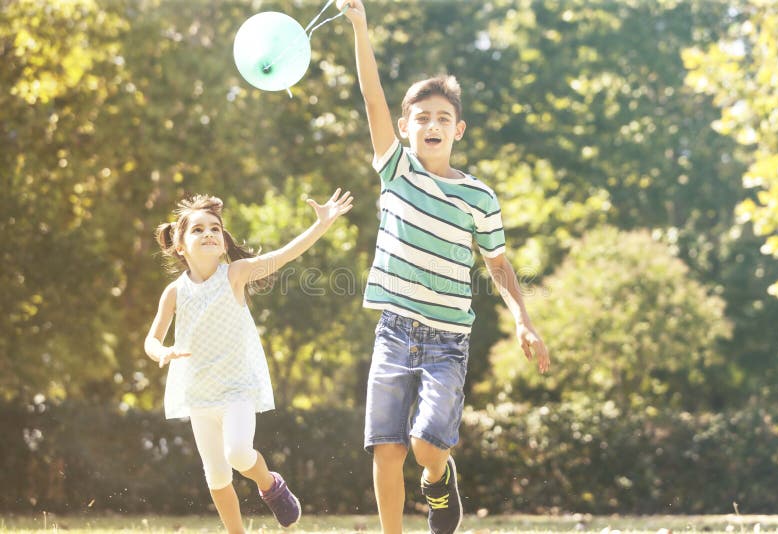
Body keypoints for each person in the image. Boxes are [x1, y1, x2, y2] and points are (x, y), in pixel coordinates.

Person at [336, 1, 551, 533]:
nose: (432, 124)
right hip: (394, 332)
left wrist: (523, 320)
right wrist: (360, 27)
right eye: (422, 117)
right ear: (405, 127)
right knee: (386, 449)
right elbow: (371, 95)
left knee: (426, 446)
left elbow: (498, 265)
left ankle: (439, 478)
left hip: (447, 340)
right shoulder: (395, 169)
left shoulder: (479, 197)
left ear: (458, 130)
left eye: (443, 118)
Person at [144, 189, 353, 534]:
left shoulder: (235, 274)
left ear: (224, 242)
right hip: (199, 397)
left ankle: (271, 484)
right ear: (180, 246)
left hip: (237, 390)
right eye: (198, 229)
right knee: (216, 476)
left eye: (215, 228)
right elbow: (151, 340)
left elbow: (283, 255)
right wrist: (161, 351)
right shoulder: (174, 292)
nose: (209, 233)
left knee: (239, 454)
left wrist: (321, 225)